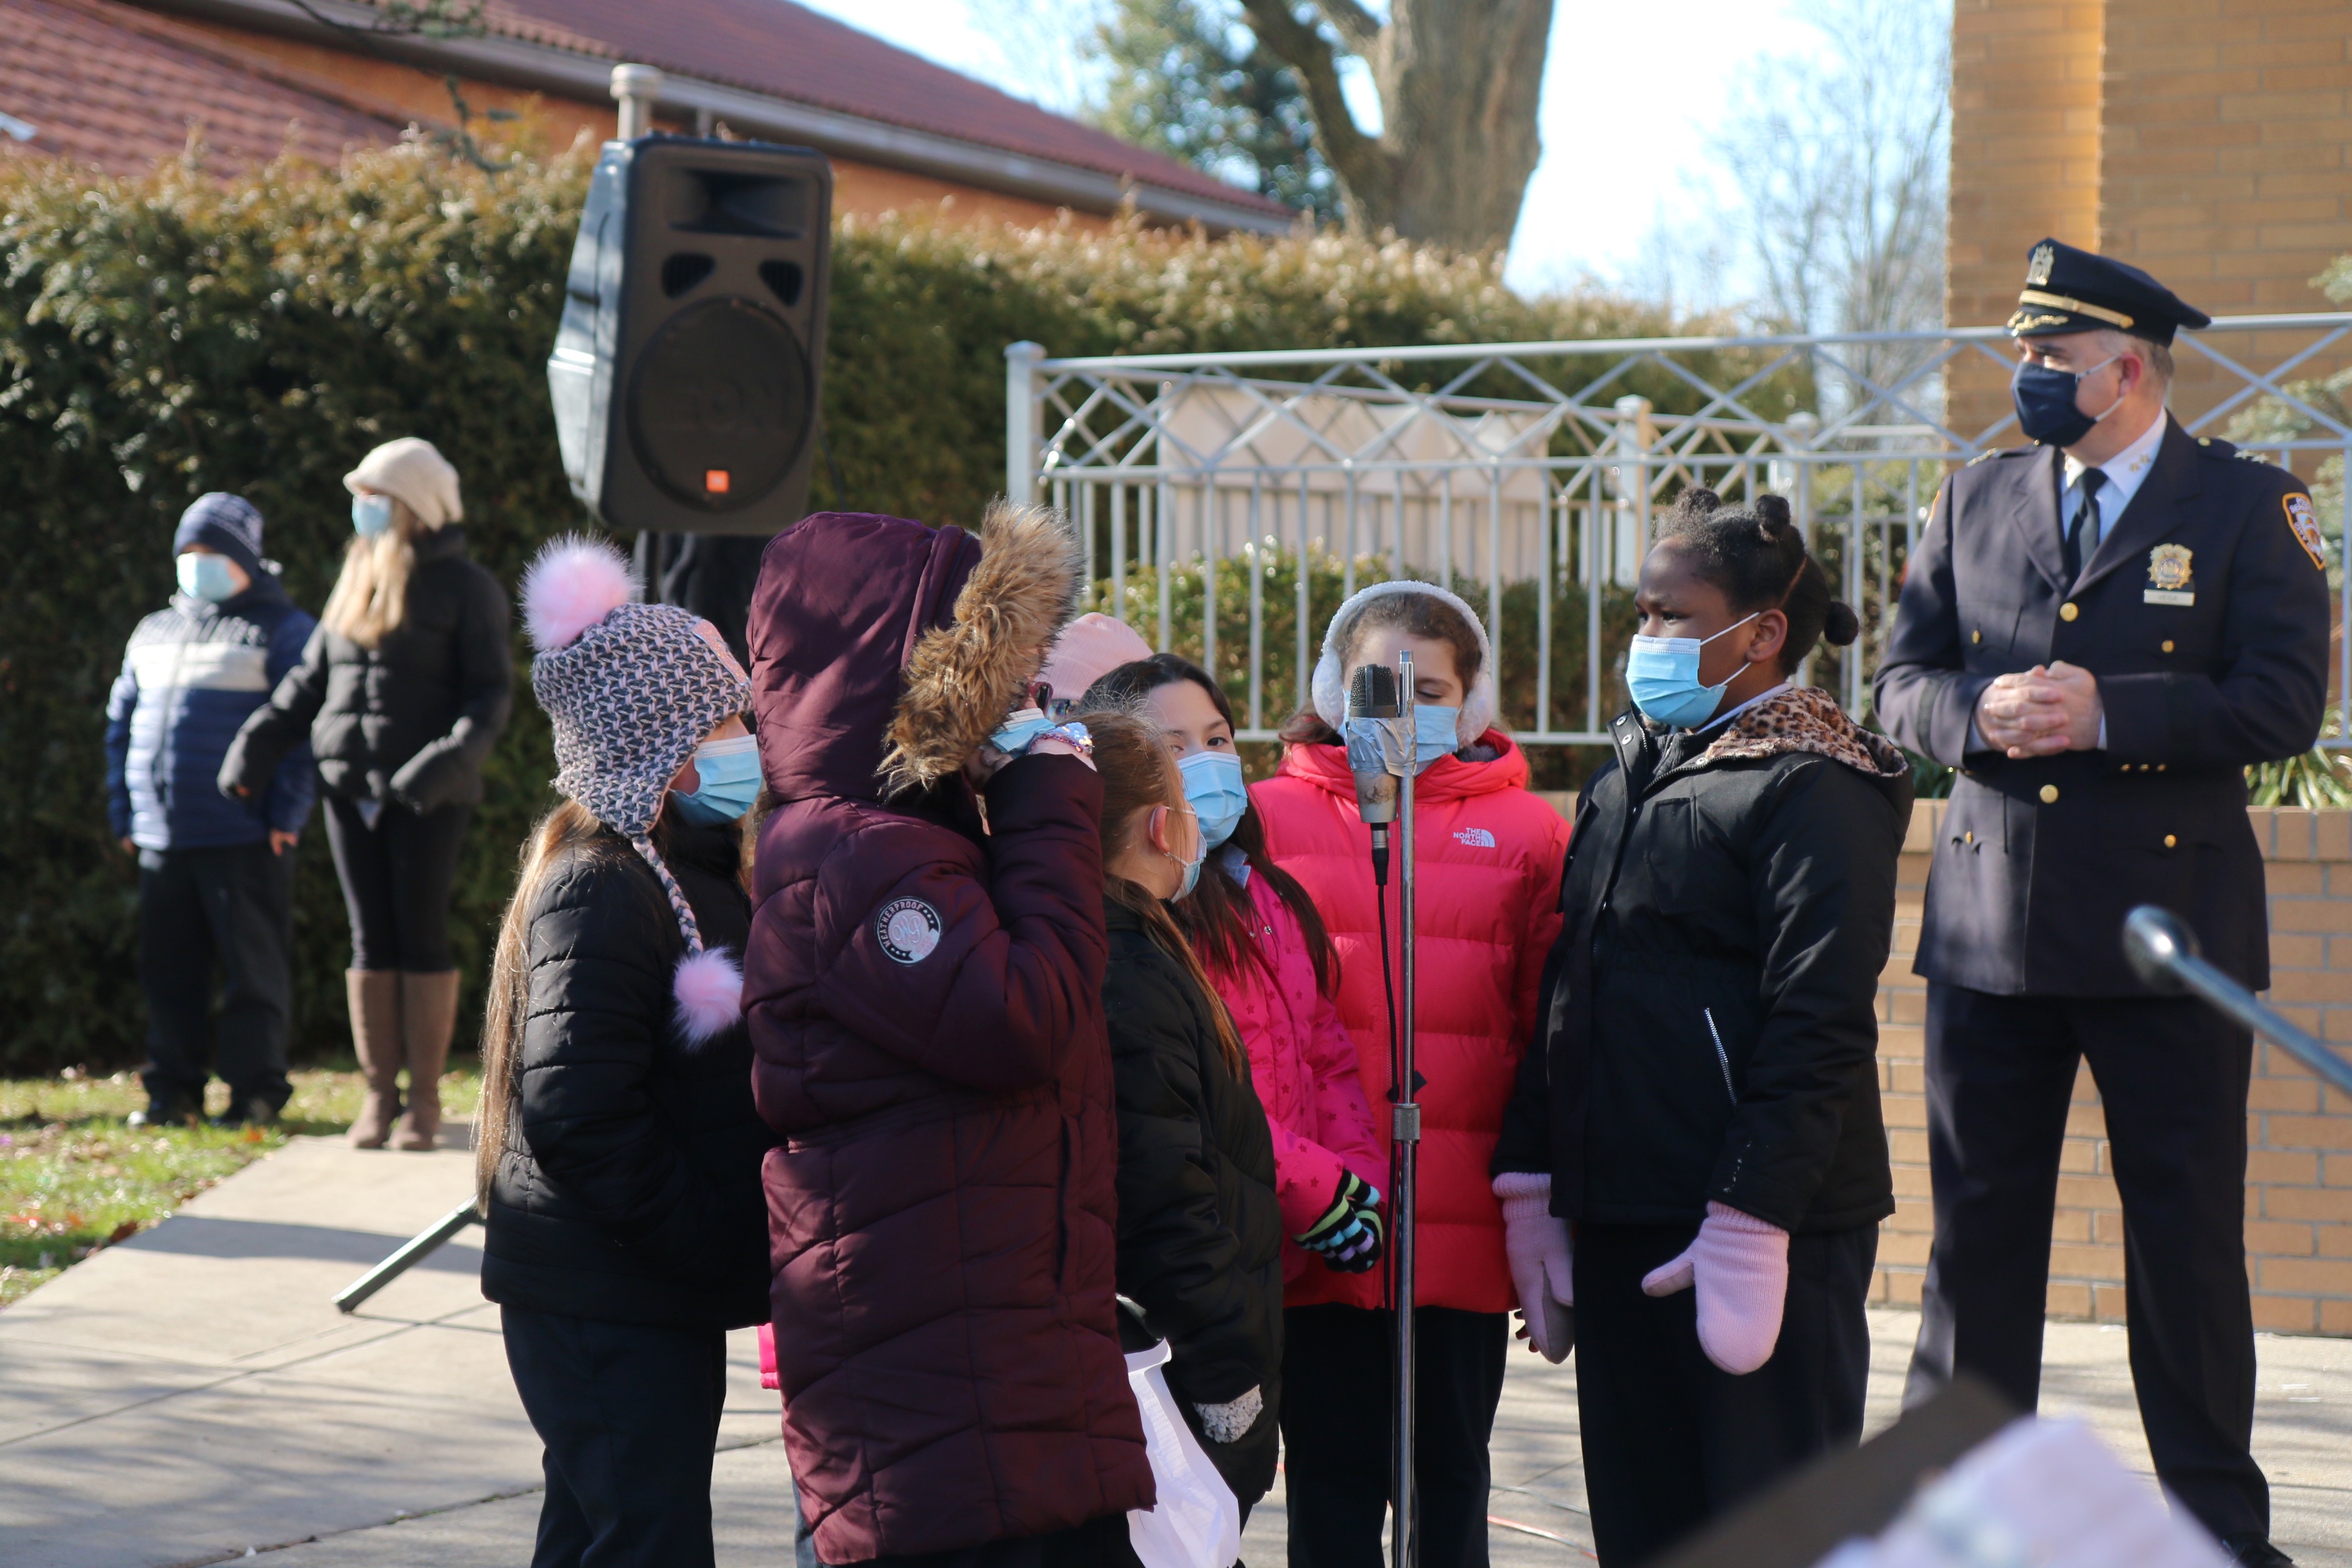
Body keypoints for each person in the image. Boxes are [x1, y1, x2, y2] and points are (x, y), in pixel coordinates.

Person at [1875, 240, 2330, 1568]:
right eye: (2022, 355)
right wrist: (1979, 709)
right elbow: (1901, 685)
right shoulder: (1976, 495)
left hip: (2168, 937)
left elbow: (2285, 703)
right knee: (1976, 1255)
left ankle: (2213, 1533)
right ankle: (1954, 1526)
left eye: (2051, 359)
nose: (2027, 378)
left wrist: (2111, 712)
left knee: (2184, 1253)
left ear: (2127, 368)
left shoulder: (2250, 507)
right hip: (1990, 927)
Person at [1492, 489, 1907, 1563]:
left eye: (1671, 615)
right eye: (1641, 613)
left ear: (1762, 631)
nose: (1647, 638)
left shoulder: (1818, 783)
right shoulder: (1627, 772)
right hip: (1624, 1211)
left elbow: (1818, 1015)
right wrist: (1532, 1177)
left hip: (1755, 1232)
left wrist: (1749, 1213)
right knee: (1644, 1526)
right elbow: (1568, 985)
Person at [742, 504, 1153, 1568]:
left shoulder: (911, 838)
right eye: (1000, 663)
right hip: (941, 1392)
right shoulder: (855, 854)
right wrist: (1052, 794)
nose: (1026, 692)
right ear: (900, 667)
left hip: (992, 1366)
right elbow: (1026, 1018)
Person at [1253, 581, 1569, 1568]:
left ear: (1471, 704)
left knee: (1450, 1490)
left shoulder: (1528, 836)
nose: (1399, 707)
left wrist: (1541, 1210)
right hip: (1322, 1223)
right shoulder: (1260, 821)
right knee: (1332, 1491)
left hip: (1459, 1232)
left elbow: (1543, 1032)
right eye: (1374, 684)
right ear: (1329, 689)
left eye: (1426, 688)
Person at [475, 536, 776, 1568]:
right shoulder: (602, 886)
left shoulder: (689, 872)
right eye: (731, 719)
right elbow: (576, 1111)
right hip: (608, 1290)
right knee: (645, 1540)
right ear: (671, 748)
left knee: (602, 1533)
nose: (752, 741)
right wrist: (702, 1238)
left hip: (644, 1288)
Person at [224, 437, 511, 1151]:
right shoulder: (354, 574)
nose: (364, 509)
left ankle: (423, 1099)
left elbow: (490, 694)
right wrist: (256, 745)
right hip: (349, 788)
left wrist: (444, 764)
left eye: (377, 496)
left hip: (426, 796)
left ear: (413, 504)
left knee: (420, 934)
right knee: (369, 937)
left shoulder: (466, 587)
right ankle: (378, 1095)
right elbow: (311, 682)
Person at [1085, 654, 1388, 1290]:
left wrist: (1359, 1179)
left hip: (1288, 1248)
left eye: (1216, 738)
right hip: (1206, 1245)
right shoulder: (1140, 921)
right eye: (1174, 746)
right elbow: (1196, 1099)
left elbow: (1322, 1051)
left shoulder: (1263, 890)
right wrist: (1317, 1186)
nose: (1205, 759)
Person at [1080, 703, 1285, 1519]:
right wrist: (1229, 1373)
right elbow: (1165, 1196)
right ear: (1165, 827)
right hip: (1173, 1369)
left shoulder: (1135, 943)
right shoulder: (1126, 969)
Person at [105, 493, 317, 1128]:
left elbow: (304, 729)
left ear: (246, 556)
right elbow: (120, 724)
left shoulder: (284, 629)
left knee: (252, 972)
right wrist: (125, 813)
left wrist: (286, 813)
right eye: (189, 552)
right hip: (163, 833)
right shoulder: (152, 630)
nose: (198, 563)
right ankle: (173, 1091)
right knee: (169, 970)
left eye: (213, 551)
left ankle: (255, 1091)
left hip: (245, 834)